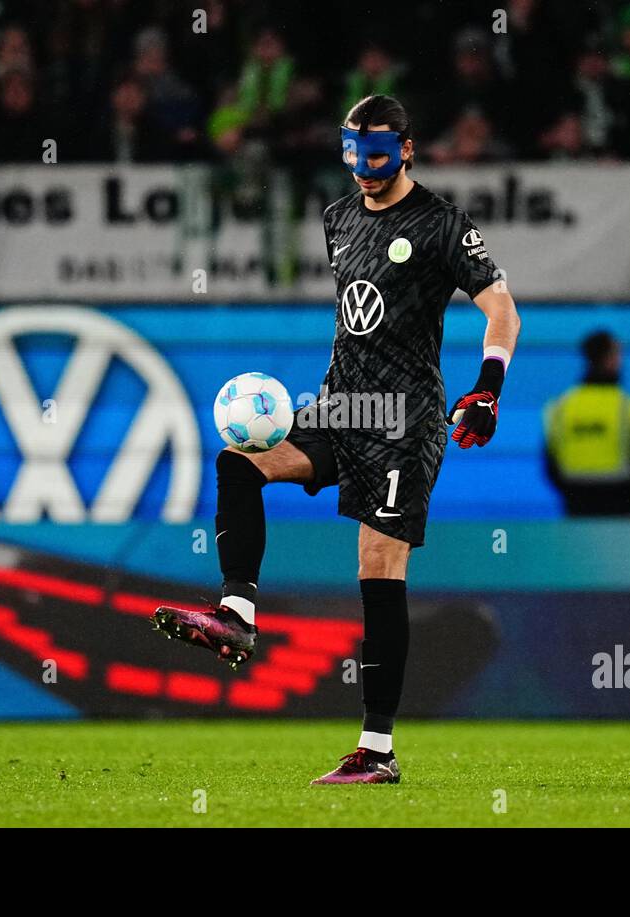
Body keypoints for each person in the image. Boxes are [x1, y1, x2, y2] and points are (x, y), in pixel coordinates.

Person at [152, 95, 520, 785]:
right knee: (239, 462)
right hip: (342, 405)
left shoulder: (441, 225)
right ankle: (237, 613)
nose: (366, 169)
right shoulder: (339, 218)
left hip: (403, 422)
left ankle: (376, 749)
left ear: (407, 149)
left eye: (379, 155)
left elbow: (502, 306)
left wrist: (487, 387)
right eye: (354, 154)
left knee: (377, 572)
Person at [544, 330, 630, 516]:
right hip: (624, 508)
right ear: (610, 359)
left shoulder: (560, 407)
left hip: (575, 508)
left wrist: (572, 494)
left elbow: (550, 463)